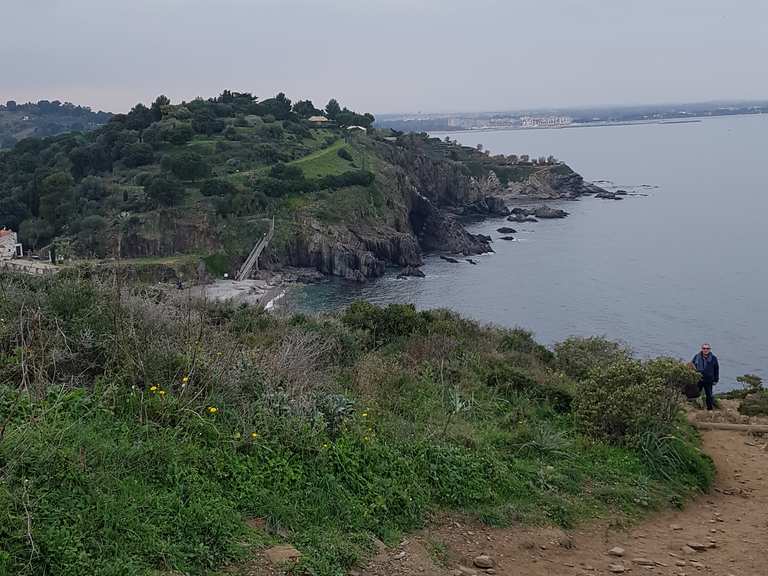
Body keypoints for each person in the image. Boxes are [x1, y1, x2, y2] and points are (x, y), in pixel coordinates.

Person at [691, 343, 719, 410]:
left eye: (707, 348)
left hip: (709, 380)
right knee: (696, 393)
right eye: (704, 348)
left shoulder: (713, 358)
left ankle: (710, 409)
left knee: (709, 395)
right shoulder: (697, 356)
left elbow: (716, 369)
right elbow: (692, 365)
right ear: (702, 349)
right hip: (699, 379)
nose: (705, 350)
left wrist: (716, 379)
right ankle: (695, 408)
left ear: (709, 349)